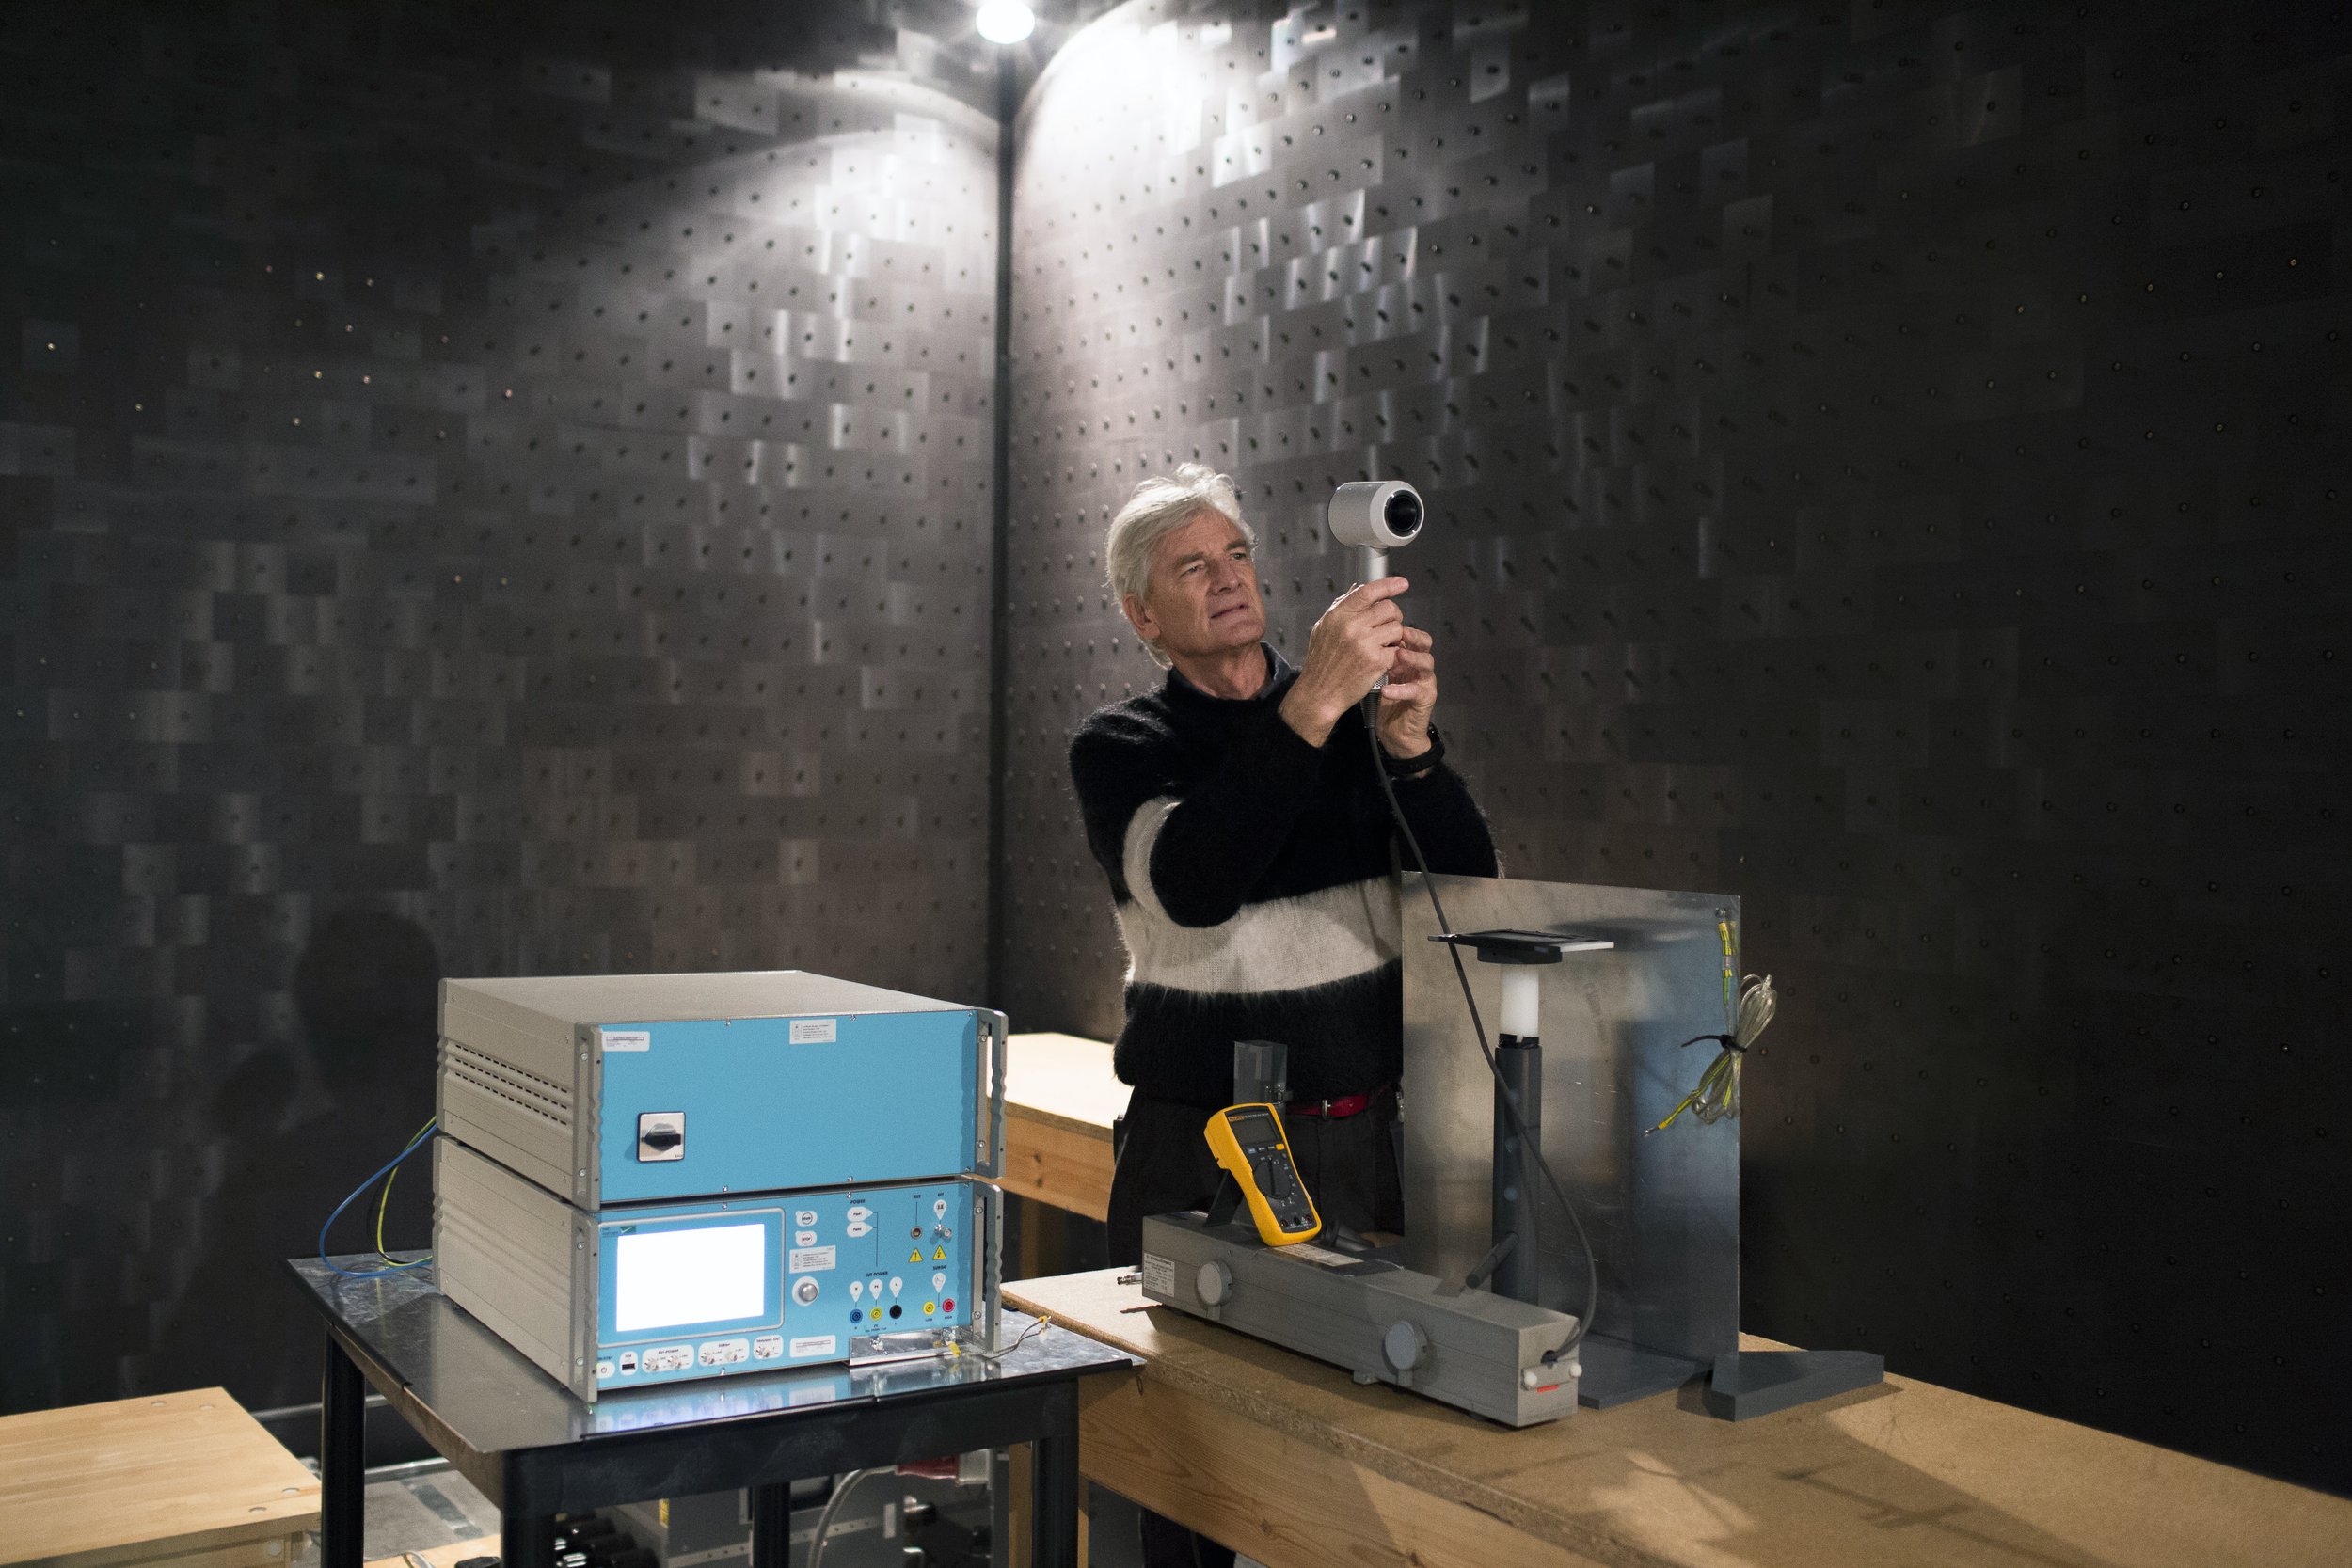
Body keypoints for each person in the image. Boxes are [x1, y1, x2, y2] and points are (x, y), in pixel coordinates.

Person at [1067, 464, 1498, 1568]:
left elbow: (1465, 890)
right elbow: (1195, 878)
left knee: (1344, 1464)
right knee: (1189, 1457)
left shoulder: (1350, 726)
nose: (1227, 581)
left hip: (1348, 1140)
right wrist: (1312, 707)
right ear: (1142, 615)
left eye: (1238, 555)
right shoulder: (1121, 747)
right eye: (1190, 567)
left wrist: (1409, 748)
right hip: (1194, 1148)